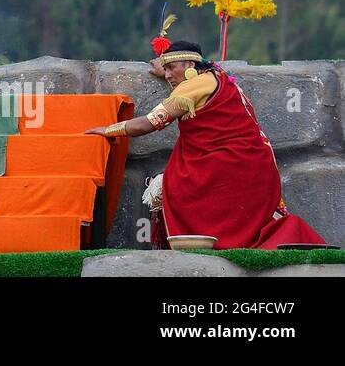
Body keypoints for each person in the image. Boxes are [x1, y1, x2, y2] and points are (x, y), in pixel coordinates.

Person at [85, 33, 325, 250]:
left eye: (172, 68)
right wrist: (168, 68)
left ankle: (202, 244)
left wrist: (108, 129)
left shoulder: (191, 88)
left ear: (190, 65)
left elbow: (149, 123)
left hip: (231, 166)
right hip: (254, 165)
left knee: (167, 186)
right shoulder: (215, 74)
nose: (168, 75)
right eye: (165, 69)